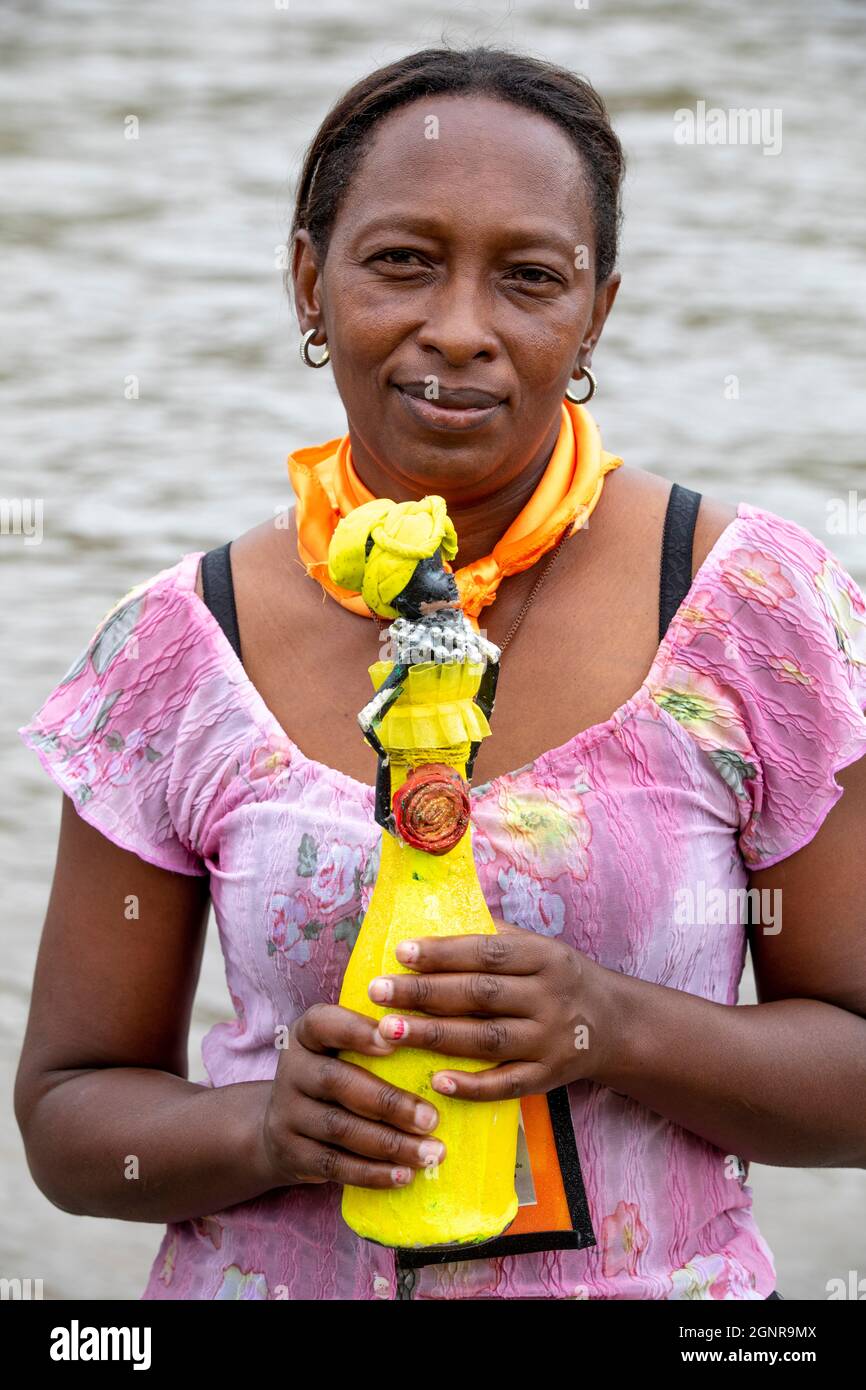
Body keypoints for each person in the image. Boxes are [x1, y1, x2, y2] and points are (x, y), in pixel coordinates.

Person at [15, 46, 866, 1302]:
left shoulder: (741, 610)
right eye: (400, 261)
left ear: (596, 313)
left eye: (527, 277)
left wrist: (611, 1025)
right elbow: (70, 1115)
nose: (457, 329)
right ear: (309, 283)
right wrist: (259, 1129)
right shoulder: (180, 645)